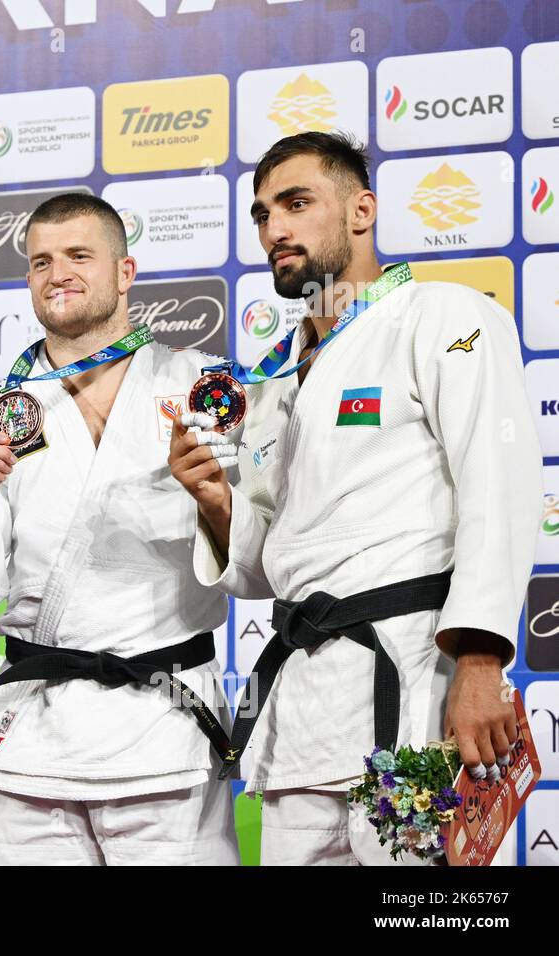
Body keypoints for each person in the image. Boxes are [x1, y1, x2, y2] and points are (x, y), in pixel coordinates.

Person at [169, 131, 540, 865]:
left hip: (414, 690)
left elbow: (499, 489)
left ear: (361, 210)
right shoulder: (274, 380)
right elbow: (268, 566)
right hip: (300, 716)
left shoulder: (446, 317)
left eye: (298, 203)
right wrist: (215, 499)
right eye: (263, 213)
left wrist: (480, 661)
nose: (276, 228)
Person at [0, 193, 239, 865]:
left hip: (165, 734)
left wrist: (214, 497)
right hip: (34, 746)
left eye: (77, 256)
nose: (56, 273)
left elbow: (260, 565)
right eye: (40, 261)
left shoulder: (201, 388)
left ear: (125, 272)